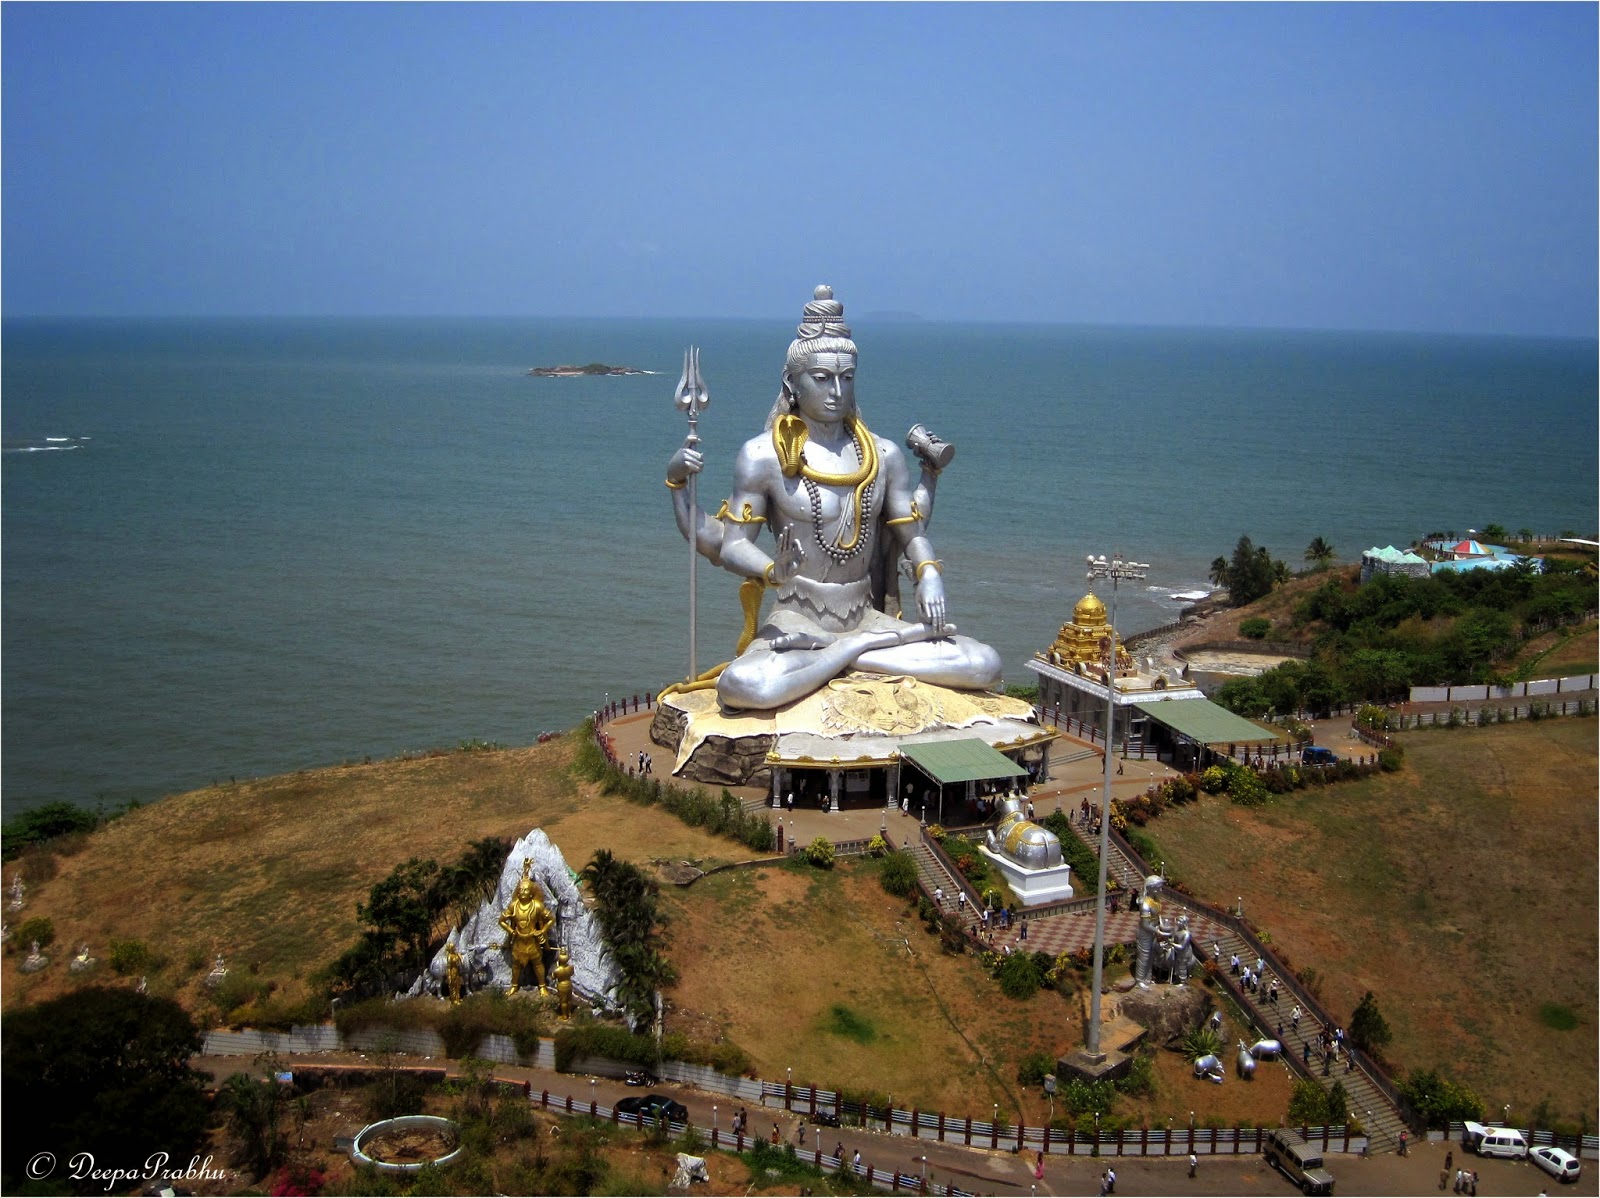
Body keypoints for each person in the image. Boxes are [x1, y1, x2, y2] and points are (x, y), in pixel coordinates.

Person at [666, 286, 1002, 711]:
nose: (836, 391)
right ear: (792, 381)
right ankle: (855, 654)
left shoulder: (883, 455)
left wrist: (929, 572)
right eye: (822, 378)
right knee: (744, 683)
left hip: (866, 616)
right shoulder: (762, 455)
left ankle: (845, 651)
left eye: (847, 378)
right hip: (795, 620)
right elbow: (732, 545)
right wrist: (773, 569)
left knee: (982, 662)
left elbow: (911, 531)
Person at [498, 862, 556, 994]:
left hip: (533, 940)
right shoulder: (514, 906)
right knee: (516, 965)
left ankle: (542, 986)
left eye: (526, 890)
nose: (523, 892)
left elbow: (551, 919)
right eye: (521, 890)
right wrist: (511, 931)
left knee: (537, 963)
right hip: (519, 940)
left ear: (531, 893)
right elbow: (501, 921)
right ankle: (514, 985)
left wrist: (542, 931)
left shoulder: (537, 906)